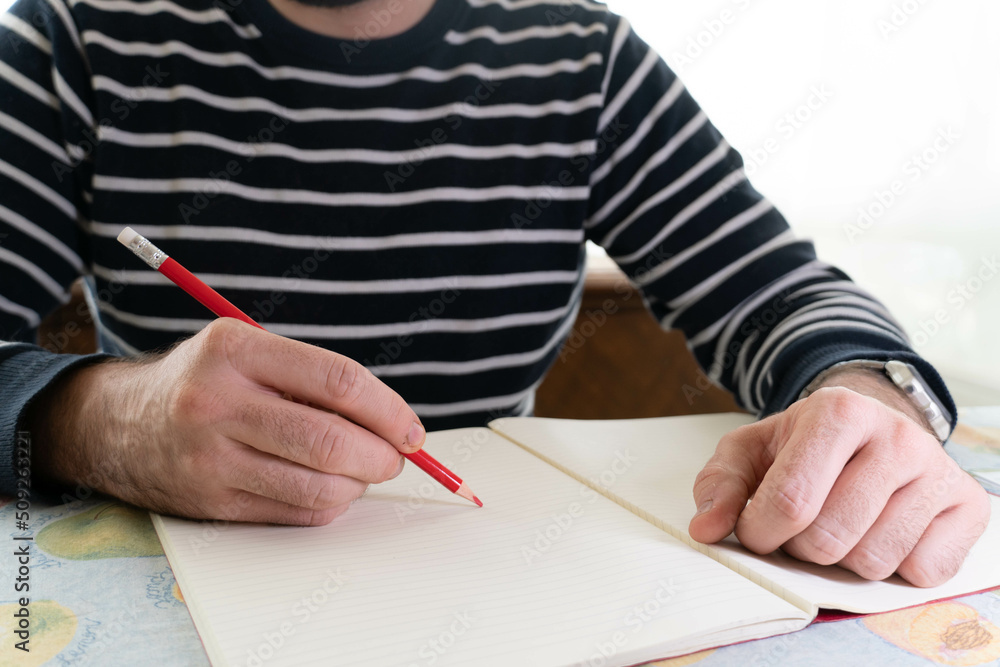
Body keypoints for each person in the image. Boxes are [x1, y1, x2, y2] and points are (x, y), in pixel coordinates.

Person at [0, 0, 988, 587]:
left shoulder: (580, 57)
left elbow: (775, 293)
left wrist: (871, 404)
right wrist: (105, 420)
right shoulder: (71, 44)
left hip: (503, 581)